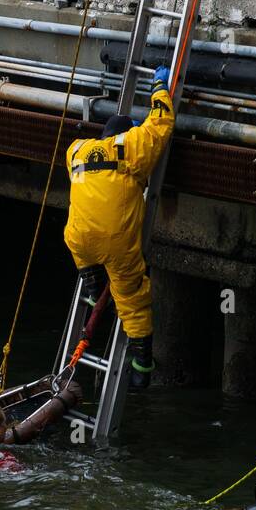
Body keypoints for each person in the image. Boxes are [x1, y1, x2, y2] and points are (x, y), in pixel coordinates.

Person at [64, 66, 175, 391]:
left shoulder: (76, 150)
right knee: (131, 296)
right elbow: (162, 121)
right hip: (115, 239)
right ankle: (142, 364)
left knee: (80, 244)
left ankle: (92, 287)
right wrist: (158, 85)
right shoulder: (134, 145)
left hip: (80, 239)